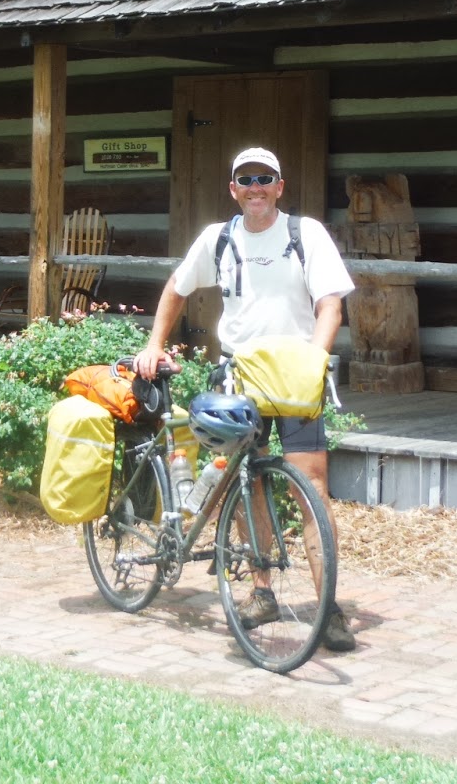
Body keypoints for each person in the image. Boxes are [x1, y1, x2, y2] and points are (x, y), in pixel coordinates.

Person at [133, 147, 357, 652]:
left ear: (280, 186)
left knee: (312, 490)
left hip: (296, 374)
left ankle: (328, 608)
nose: (256, 187)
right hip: (239, 375)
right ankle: (262, 591)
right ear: (233, 189)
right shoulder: (219, 238)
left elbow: (330, 306)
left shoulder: (305, 234)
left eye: (265, 178)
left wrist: (315, 360)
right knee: (247, 482)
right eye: (246, 179)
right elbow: (177, 287)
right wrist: (154, 343)